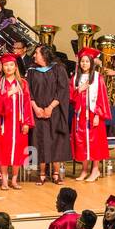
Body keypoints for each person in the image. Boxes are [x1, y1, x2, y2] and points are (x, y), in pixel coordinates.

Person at [26, 42, 70, 185]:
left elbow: (63, 91)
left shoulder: (59, 69)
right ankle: (41, 173)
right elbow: (29, 92)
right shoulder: (32, 71)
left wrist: (50, 107)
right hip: (37, 112)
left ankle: (56, 174)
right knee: (39, 141)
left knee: (55, 141)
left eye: (36, 53)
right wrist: (36, 107)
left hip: (55, 112)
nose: (34, 56)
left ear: (44, 55)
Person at [0, 54, 33, 189]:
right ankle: (4, 181)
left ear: (15, 67)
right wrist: (7, 94)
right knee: (4, 151)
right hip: (5, 123)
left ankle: (14, 180)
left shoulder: (23, 83)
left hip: (19, 123)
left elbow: (27, 104)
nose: (8, 68)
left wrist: (26, 122)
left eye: (11, 65)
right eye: (6, 65)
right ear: (2, 67)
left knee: (18, 150)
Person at [70, 47, 111, 184]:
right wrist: (78, 90)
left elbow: (102, 98)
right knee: (82, 143)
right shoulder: (75, 78)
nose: (84, 64)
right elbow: (70, 98)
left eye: (87, 61)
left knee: (95, 143)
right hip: (80, 116)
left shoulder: (98, 78)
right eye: (82, 61)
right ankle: (84, 169)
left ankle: (95, 169)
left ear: (91, 63)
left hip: (94, 115)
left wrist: (98, 115)